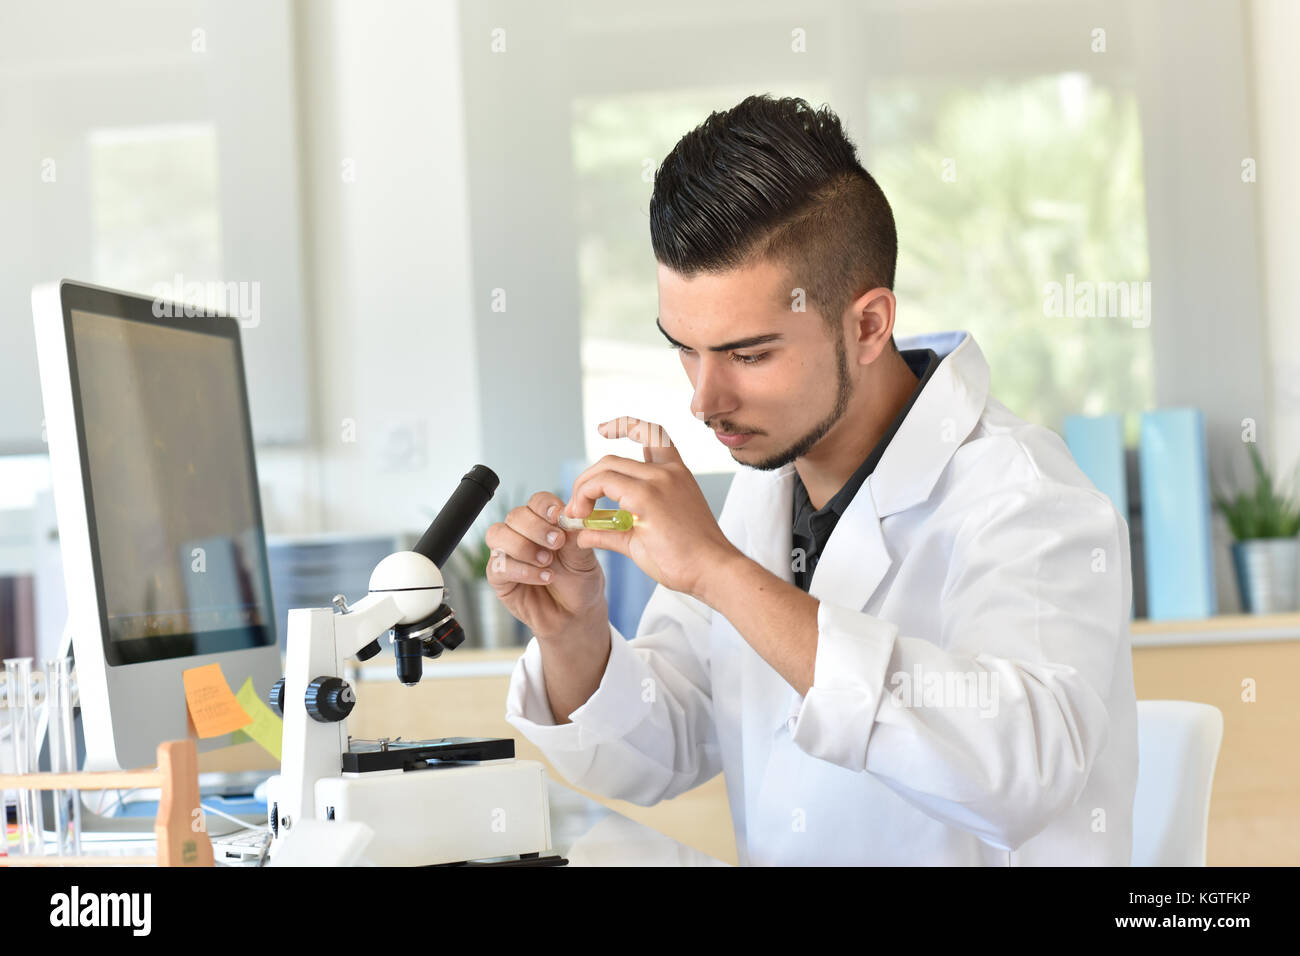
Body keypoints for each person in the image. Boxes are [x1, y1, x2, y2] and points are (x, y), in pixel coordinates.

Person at [485, 94, 1137, 865]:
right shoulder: (770, 488)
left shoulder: (1025, 499)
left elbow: (1023, 774)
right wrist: (575, 631)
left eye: (749, 354)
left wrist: (717, 572)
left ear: (867, 325)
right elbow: (661, 745)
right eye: (685, 349)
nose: (704, 400)